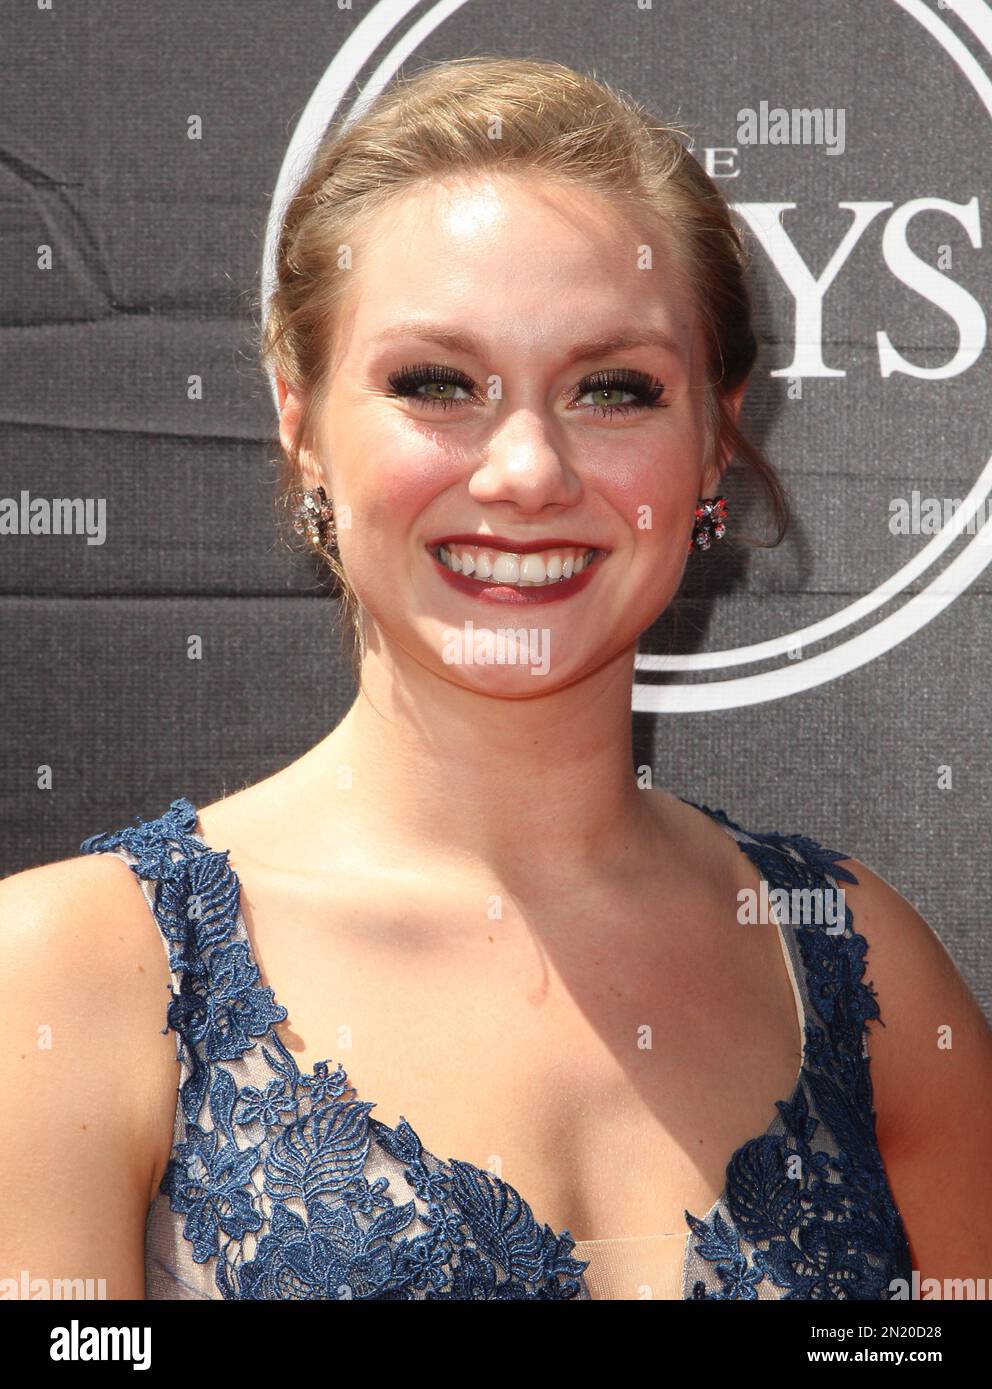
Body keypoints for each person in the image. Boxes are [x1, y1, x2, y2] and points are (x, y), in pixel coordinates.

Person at [2, 56, 990, 1303]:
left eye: (612, 388)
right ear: (299, 421)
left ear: (712, 446)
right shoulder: (70, 972)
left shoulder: (853, 961)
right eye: (436, 384)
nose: (525, 468)